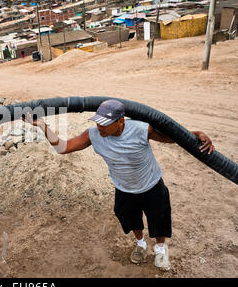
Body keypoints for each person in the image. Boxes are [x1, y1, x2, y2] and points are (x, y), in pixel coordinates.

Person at [23, 100, 214, 271]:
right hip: (124, 188)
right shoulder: (93, 135)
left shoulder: (141, 129)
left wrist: (196, 134)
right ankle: (140, 244)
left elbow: (171, 137)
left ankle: (161, 250)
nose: (100, 128)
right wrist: (42, 125)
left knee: (159, 219)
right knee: (130, 219)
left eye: (105, 124)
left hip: (151, 185)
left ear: (121, 122)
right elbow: (63, 148)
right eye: (98, 122)